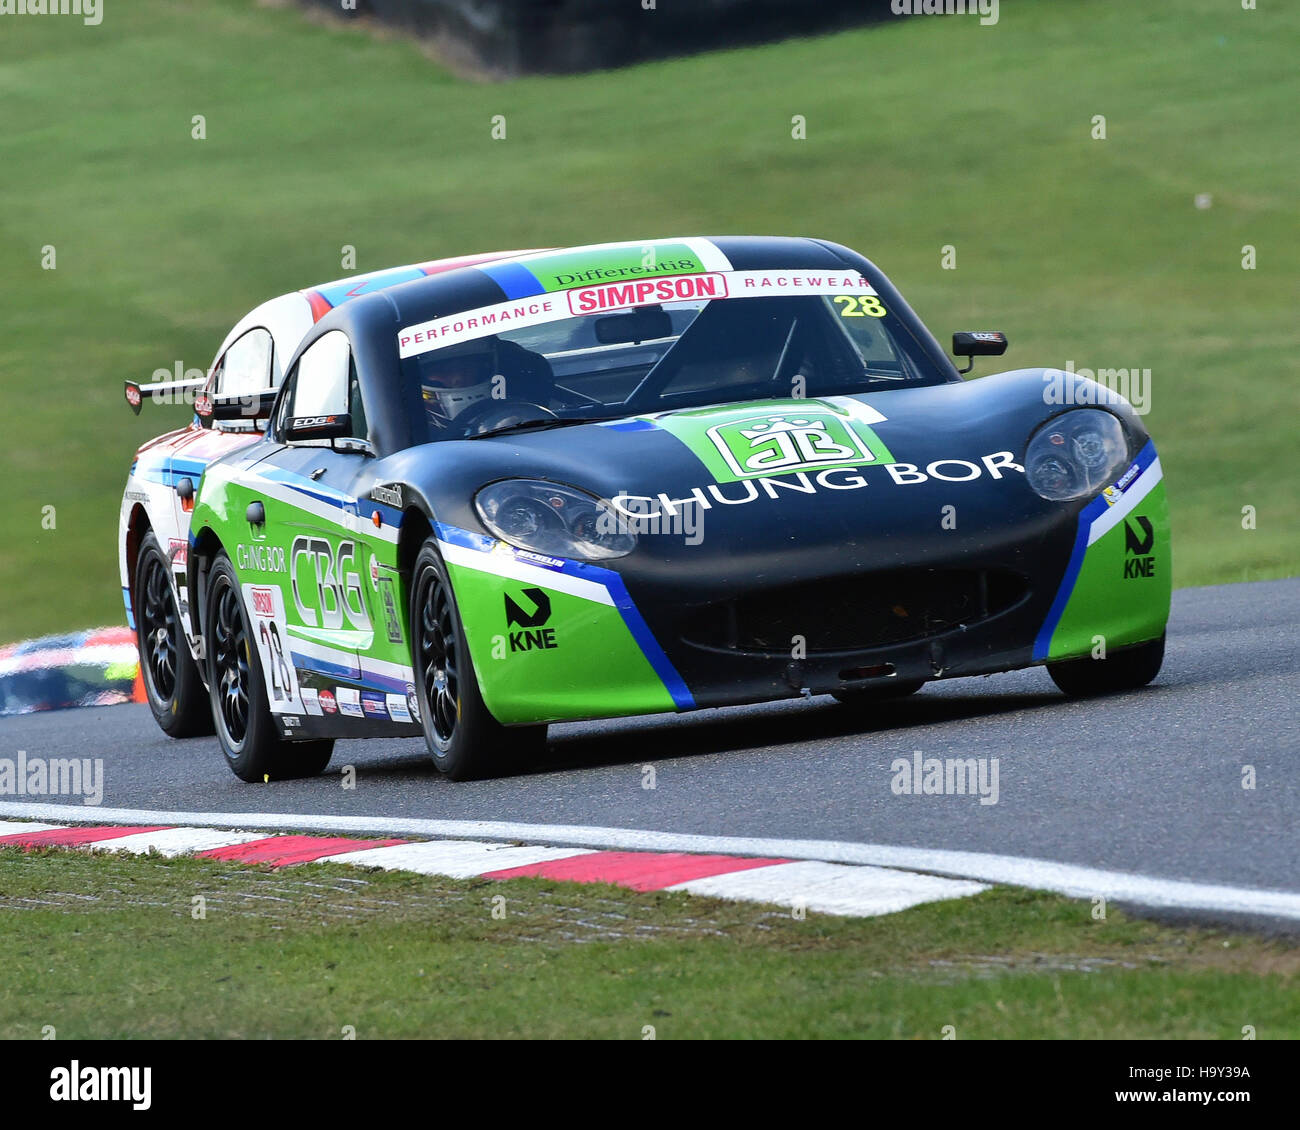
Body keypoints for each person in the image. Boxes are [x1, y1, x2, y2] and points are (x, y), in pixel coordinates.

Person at [420, 335, 555, 431]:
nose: (457, 378)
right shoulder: (408, 438)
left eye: (466, 366)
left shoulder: (534, 412)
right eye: (440, 369)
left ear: (486, 366)